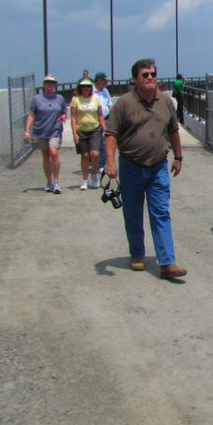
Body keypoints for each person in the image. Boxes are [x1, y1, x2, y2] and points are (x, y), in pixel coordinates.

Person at [104, 59, 186, 280]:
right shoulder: (123, 104)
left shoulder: (166, 101)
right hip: (130, 167)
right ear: (135, 79)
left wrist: (178, 157)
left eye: (152, 74)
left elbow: (173, 131)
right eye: (145, 75)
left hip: (158, 166)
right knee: (133, 213)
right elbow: (110, 133)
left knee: (160, 212)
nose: (150, 78)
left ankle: (167, 262)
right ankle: (137, 254)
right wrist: (110, 162)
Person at [24, 74, 68, 194]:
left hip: (55, 130)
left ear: (55, 85)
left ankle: (57, 181)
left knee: (54, 153)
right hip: (41, 130)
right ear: (44, 84)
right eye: (47, 82)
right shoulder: (36, 99)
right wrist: (27, 130)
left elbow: (65, 112)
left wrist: (63, 116)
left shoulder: (59, 98)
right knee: (46, 156)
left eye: (52, 83)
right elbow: (32, 115)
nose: (50, 84)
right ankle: (49, 182)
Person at [70, 78, 105, 190]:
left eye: (88, 86)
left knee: (95, 153)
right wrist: (74, 132)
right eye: (84, 86)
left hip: (94, 129)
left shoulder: (96, 99)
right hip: (81, 130)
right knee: (85, 155)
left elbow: (100, 115)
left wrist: (104, 128)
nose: (86, 88)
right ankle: (85, 180)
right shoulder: (76, 100)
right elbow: (73, 117)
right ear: (80, 87)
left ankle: (94, 175)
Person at [93, 72, 113, 171]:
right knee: (95, 142)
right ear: (99, 80)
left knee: (103, 141)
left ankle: (101, 164)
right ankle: (94, 162)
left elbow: (109, 104)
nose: (107, 83)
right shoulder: (91, 90)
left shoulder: (105, 91)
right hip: (93, 119)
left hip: (105, 118)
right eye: (105, 80)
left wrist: (112, 116)